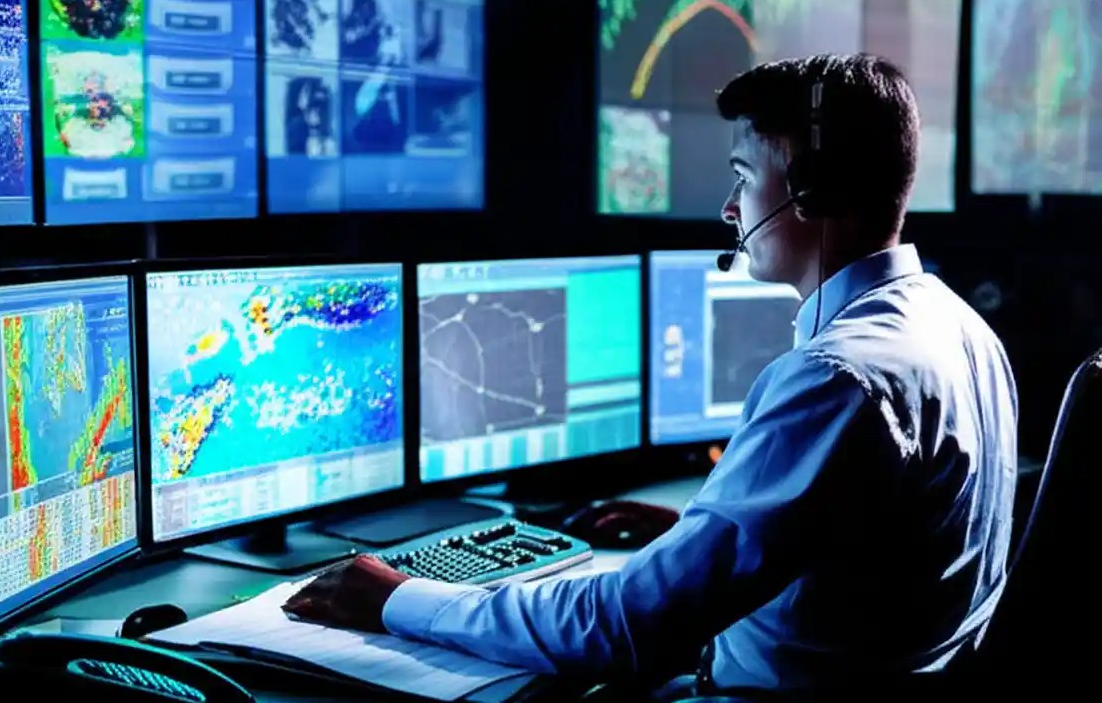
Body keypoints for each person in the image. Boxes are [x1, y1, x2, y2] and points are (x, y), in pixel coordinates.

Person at [282, 53, 1018, 697]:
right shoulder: (962, 330)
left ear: (812, 193)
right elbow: (876, 550)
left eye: (742, 178)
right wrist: (699, 536)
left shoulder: (835, 379)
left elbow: (622, 627)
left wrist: (399, 598)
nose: (730, 208)